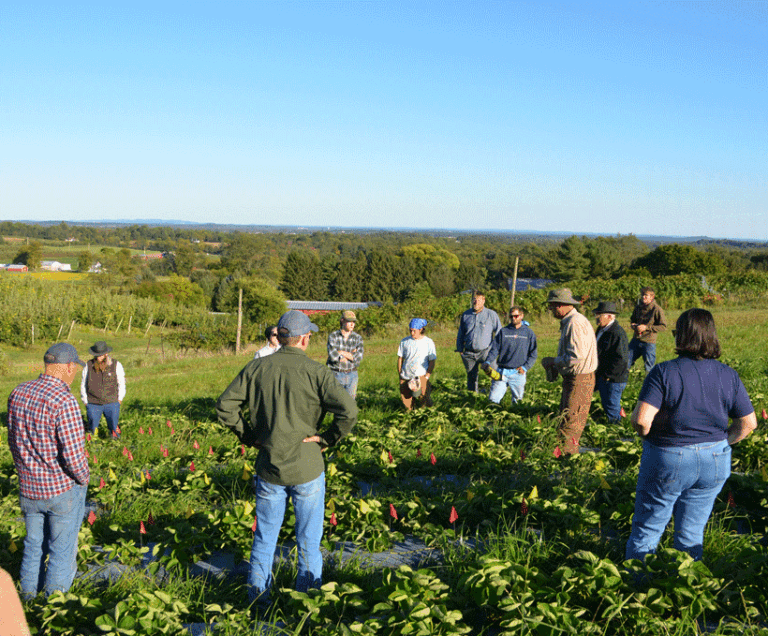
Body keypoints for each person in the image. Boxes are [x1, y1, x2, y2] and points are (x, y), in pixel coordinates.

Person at [216, 310, 357, 611]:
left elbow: (225, 406)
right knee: (308, 540)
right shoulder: (317, 372)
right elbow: (349, 411)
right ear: (305, 338)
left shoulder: (256, 368)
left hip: (269, 465)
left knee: (265, 536)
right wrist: (327, 438)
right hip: (307, 466)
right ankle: (308, 603)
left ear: (278, 337)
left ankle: (258, 600)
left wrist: (248, 436)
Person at [625, 308, 757, 562]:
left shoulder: (664, 372)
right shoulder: (728, 374)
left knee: (648, 528)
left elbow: (641, 419)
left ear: (680, 336)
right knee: (692, 532)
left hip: (670, 455)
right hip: (715, 459)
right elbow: (748, 423)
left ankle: (638, 587)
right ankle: (687, 585)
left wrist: (649, 438)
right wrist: (721, 442)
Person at [7, 343, 90, 601]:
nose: (75, 372)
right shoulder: (64, 401)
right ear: (66, 367)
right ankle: (54, 607)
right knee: (61, 550)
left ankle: (28, 601)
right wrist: (84, 479)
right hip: (59, 489)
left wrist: (25, 471)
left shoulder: (18, 392)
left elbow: (13, 441)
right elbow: (73, 456)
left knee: (32, 547)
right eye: (74, 367)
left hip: (29, 488)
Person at [540, 289, 598, 455]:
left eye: (552, 307)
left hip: (579, 379)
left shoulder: (575, 323)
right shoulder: (571, 321)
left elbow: (575, 358)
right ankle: (565, 459)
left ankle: (567, 465)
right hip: (575, 378)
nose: (551, 311)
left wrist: (553, 361)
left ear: (560, 306)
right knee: (566, 419)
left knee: (571, 424)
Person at [484, 306, 537, 406]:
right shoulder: (503, 332)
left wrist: (526, 367)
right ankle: (492, 418)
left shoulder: (529, 333)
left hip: (518, 373)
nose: (513, 318)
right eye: (511, 316)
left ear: (522, 316)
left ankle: (515, 419)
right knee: (492, 400)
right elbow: (494, 350)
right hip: (501, 372)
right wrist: (487, 362)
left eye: (516, 316)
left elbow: (533, 354)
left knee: (518, 402)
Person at [455, 291, 502, 392]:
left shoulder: (491, 315)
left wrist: (494, 349)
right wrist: (460, 349)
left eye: (479, 300)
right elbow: (461, 333)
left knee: (495, 374)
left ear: (484, 301)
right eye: (474, 299)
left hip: (486, 352)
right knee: (471, 377)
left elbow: (499, 333)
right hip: (469, 353)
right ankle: (473, 398)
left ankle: (496, 396)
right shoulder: (466, 315)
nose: (476, 302)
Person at [80, 341, 126, 438]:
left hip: (112, 403)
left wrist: (119, 400)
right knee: (92, 430)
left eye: (100, 355)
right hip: (93, 404)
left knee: (114, 429)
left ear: (106, 354)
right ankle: (93, 447)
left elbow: (121, 383)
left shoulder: (116, 365)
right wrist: (85, 401)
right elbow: (83, 383)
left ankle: (115, 445)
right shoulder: (88, 366)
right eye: (96, 355)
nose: (98, 357)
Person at [593, 301, 629, 423]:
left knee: (611, 406)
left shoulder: (617, 333)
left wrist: (608, 376)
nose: (596, 318)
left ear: (609, 316)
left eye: (599, 315)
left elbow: (621, 359)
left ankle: (617, 431)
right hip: (602, 375)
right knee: (607, 403)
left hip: (613, 379)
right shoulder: (601, 330)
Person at [398, 318, 437, 410]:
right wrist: (400, 374)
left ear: (421, 329)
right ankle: (409, 416)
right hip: (406, 376)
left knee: (424, 400)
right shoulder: (404, 342)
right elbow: (400, 358)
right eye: (410, 330)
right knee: (407, 403)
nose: (412, 333)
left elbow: (432, 361)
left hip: (421, 376)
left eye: (414, 331)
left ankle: (428, 415)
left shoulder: (428, 342)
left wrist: (427, 376)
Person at [326, 310, 364, 398]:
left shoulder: (358, 338)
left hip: (352, 375)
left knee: (349, 406)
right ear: (342, 320)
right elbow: (333, 357)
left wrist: (341, 352)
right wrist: (350, 355)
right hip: (336, 374)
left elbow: (358, 358)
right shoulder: (333, 336)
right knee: (336, 404)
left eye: (353, 322)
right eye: (349, 321)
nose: (352, 324)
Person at [628, 286, 667, 372]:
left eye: (646, 295)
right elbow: (632, 320)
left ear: (652, 297)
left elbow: (663, 327)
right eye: (642, 295)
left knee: (649, 367)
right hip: (636, 339)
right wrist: (633, 325)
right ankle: (624, 381)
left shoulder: (657, 309)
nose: (643, 297)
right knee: (626, 361)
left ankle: (649, 383)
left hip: (649, 342)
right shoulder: (638, 308)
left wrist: (646, 328)